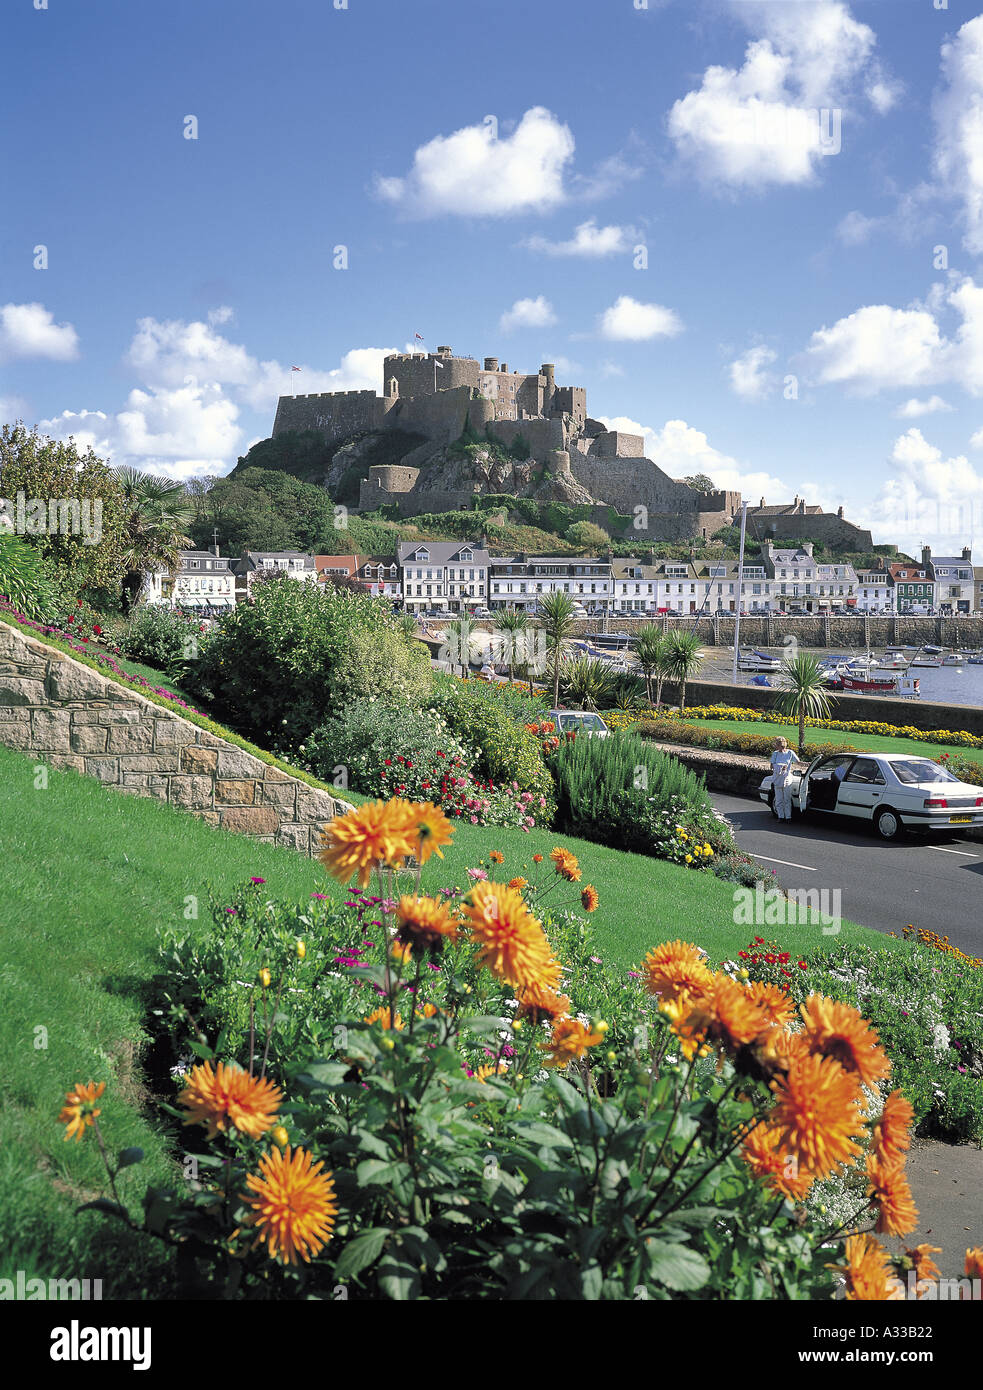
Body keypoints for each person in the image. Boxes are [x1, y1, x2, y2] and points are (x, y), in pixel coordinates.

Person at [770, 737, 797, 822]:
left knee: (787, 799)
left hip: (786, 778)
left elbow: (798, 761)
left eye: (778, 745)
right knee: (779, 799)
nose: (777, 747)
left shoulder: (790, 753)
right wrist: (780, 766)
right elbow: (771, 766)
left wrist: (807, 764)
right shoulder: (775, 753)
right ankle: (781, 816)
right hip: (778, 778)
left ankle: (788, 817)